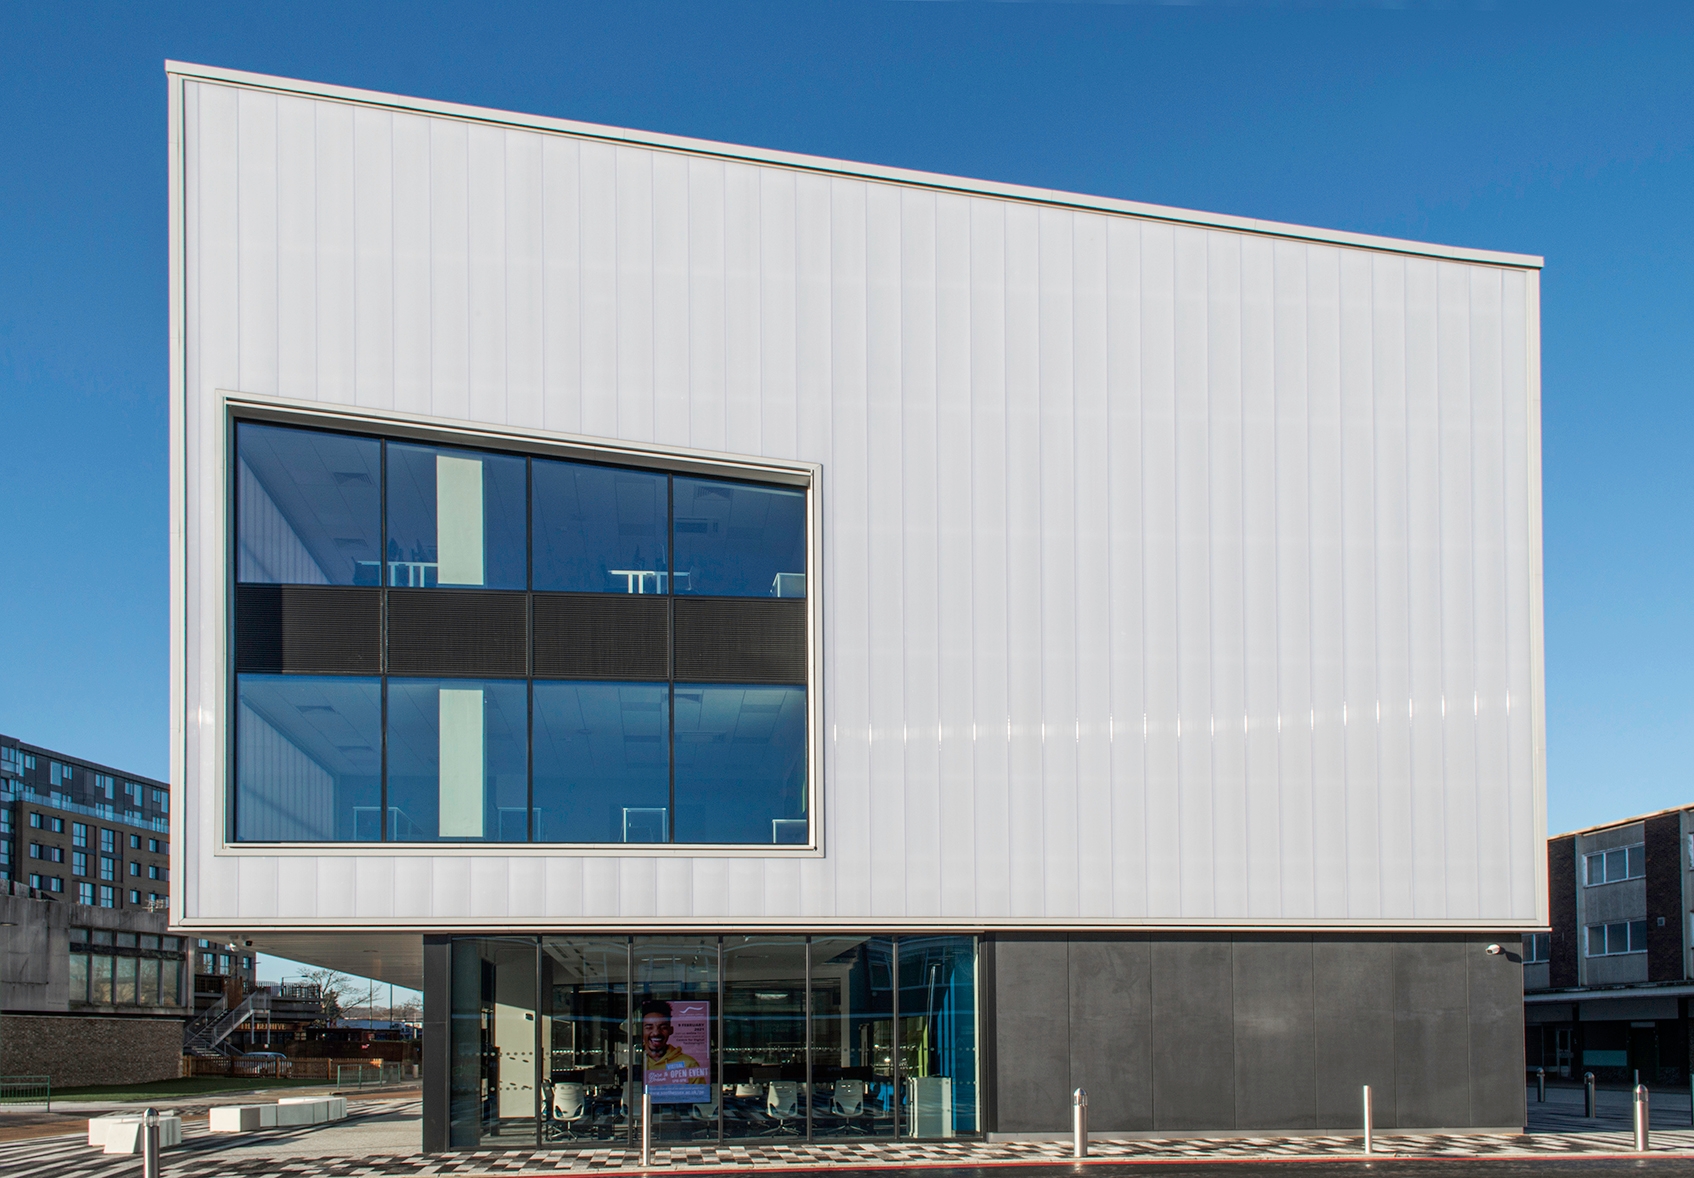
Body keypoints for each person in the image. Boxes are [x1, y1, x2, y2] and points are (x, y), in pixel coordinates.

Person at [640, 999, 699, 1073]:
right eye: (649, 1027)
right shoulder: (635, 1061)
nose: (656, 1033)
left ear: (671, 1030)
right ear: (641, 1031)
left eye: (663, 1027)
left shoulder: (689, 1064)